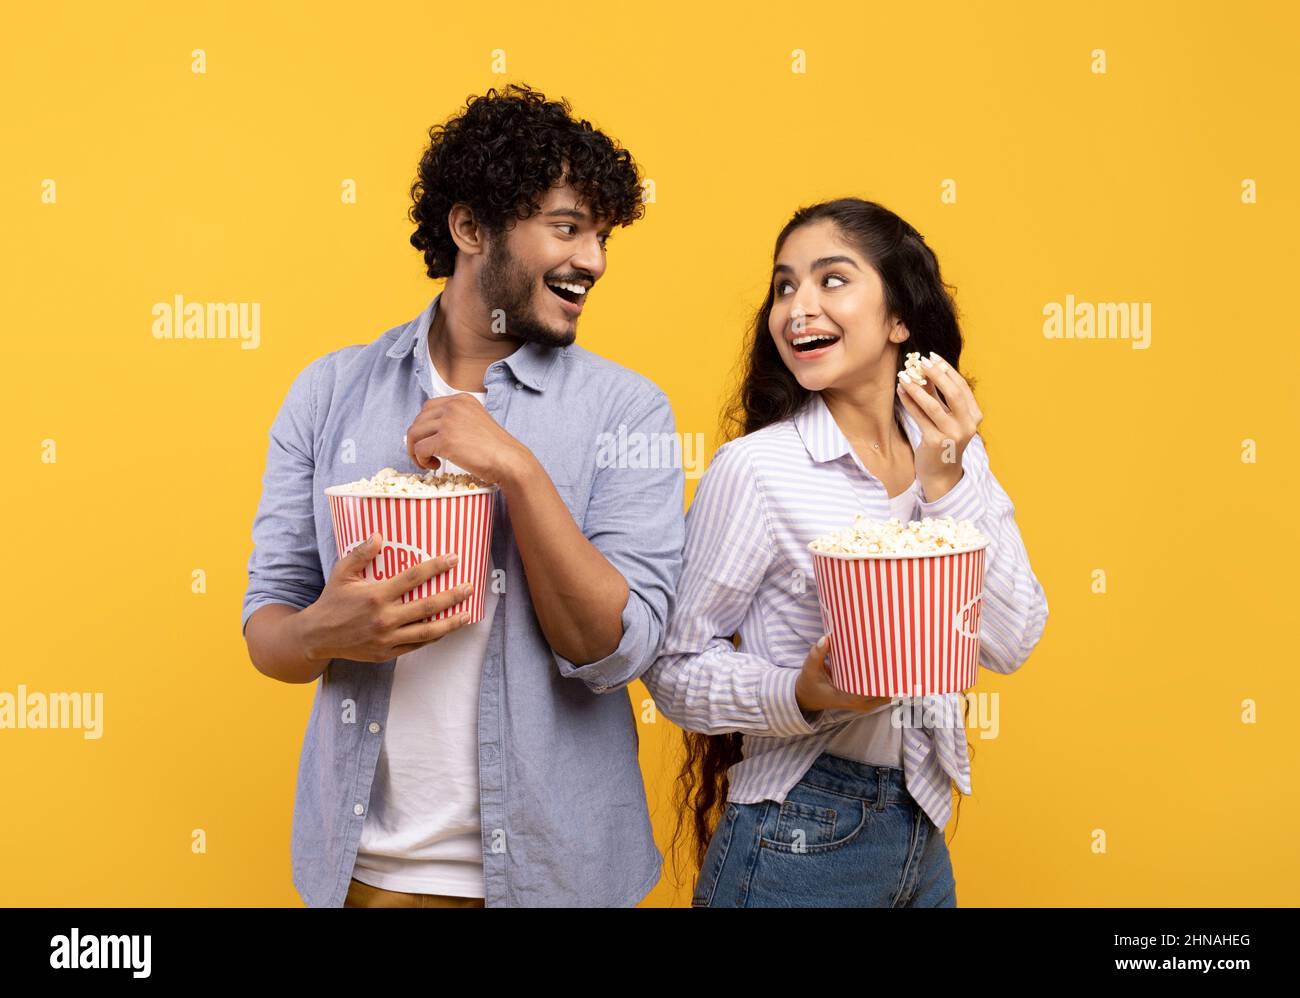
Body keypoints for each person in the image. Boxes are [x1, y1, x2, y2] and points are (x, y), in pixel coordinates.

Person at [240, 84, 684, 907]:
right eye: (566, 226)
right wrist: (319, 633)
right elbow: (268, 623)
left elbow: (618, 649)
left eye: (602, 234)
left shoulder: (626, 410)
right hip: (364, 876)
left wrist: (517, 470)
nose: (594, 259)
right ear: (471, 228)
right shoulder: (330, 393)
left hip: (560, 876)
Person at [642, 198, 1049, 907]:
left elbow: (1010, 641)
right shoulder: (758, 470)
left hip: (920, 821)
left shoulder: (953, 452)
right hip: (796, 831)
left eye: (832, 279)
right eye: (784, 286)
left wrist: (948, 482)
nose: (798, 306)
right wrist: (799, 693)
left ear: (899, 319)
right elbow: (673, 668)